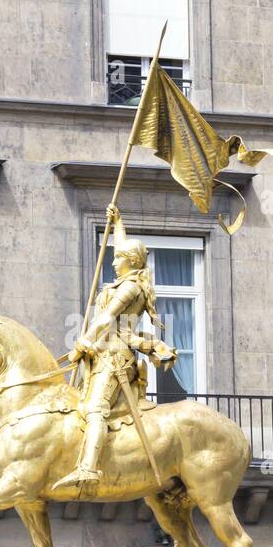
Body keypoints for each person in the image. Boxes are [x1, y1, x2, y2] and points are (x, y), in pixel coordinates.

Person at [53, 205, 176, 494]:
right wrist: (118, 224)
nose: (112, 262)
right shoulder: (127, 278)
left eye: (118, 258)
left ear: (130, 262)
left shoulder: (130, 288)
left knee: (96, 408)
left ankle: (88, 468)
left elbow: (107, 317)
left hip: (115, 356)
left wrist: (83, 341)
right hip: (102, 353)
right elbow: (123, 248)